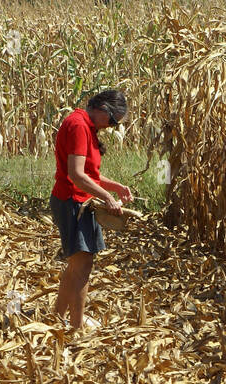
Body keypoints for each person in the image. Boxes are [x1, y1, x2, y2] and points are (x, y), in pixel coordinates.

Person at [49, 89, 133, 331]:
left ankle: (57, 317)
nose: (113, 126)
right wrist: (107, 197)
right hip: (72, 202)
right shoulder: (77, 125)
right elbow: (75, 175)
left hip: (79, 200)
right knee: (83, 266)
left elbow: (89, 175)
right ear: (102, 109)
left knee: (76, 265)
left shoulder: (86, 126)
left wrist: (114, 187)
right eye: (114, 120)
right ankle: (76, 328)